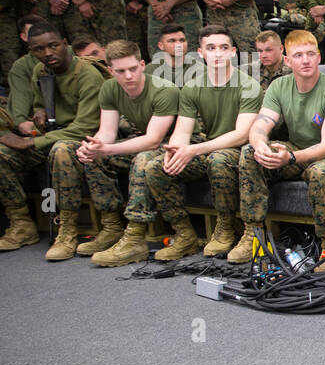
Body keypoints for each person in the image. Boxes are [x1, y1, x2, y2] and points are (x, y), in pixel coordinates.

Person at [226, 31, 325, 264]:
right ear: (287, 60)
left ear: (318, 58)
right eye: (298, 55)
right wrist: (260, 146)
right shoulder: (279, 86)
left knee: (319, 171)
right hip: (296, 149)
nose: (305, 60)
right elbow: (259, 126)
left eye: (310, 54)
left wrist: (291, 158)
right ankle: (252, 234)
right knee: (249, 153)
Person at [60, 40, 178, 266]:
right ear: (111, 71)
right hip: (141, 142)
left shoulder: (165, 90)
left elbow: (153, 141)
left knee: (143, 159)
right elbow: (107, 132)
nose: (128, 76)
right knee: (96, 157)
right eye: (121, 71)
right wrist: (95, 147)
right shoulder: (109, 88)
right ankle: (111, 226)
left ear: (142, 64)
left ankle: (134, 237)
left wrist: (107, 149)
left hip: (171, 146)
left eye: (133, 69)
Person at [150, 24, 262, 260]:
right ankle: (184, 235)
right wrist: (176, 151)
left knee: (218, 159)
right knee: (156, 167)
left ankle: (225, 227)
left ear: (233, 51)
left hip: (240, 152)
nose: (218, 53)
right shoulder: (192, 87)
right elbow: (182, 130)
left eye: (223, 47)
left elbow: (242, 134)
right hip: (209, 148)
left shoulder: (249, 85)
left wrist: (194, 149)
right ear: (200, 53)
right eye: (211, 48)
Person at [0, 23, 102, 252]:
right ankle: (21, 223)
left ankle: (67, 229)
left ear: (65, 44)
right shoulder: (41, 71)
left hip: (83, 138)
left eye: (53, 45)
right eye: (38, 49)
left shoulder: (87, 74)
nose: (47, 53)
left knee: (62, 149)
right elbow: (40, 103)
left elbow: (84, 127)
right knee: (2, 153)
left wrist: (31, 142)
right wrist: (39, 111)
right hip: (51, 135)